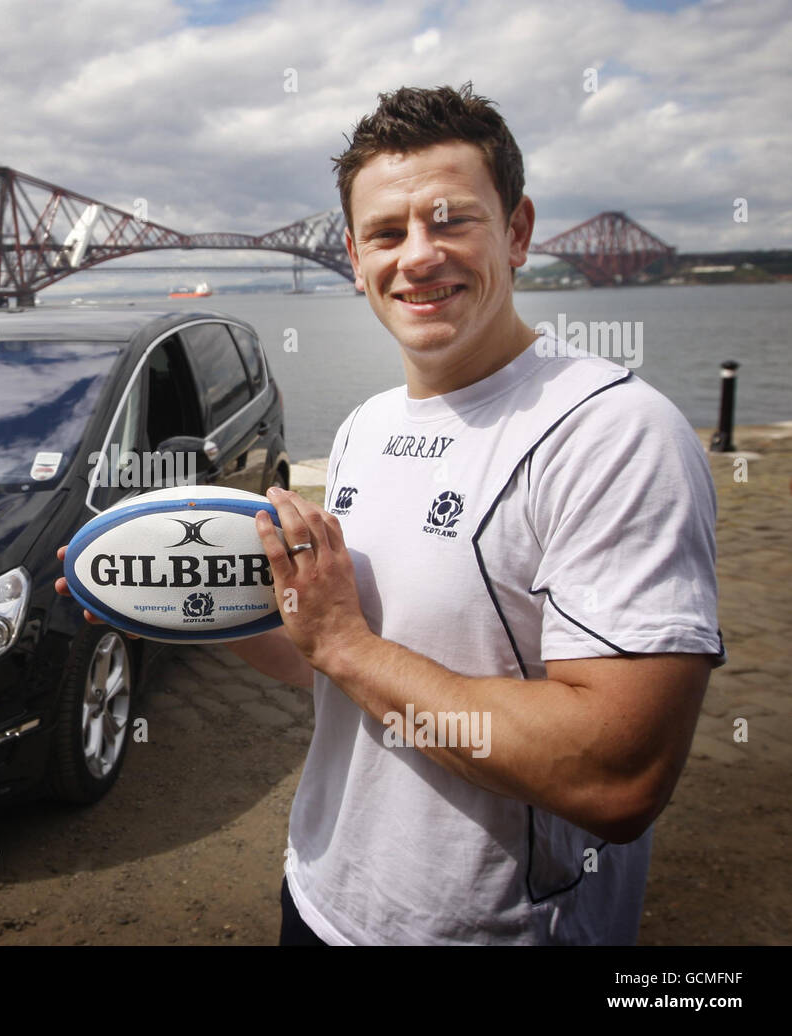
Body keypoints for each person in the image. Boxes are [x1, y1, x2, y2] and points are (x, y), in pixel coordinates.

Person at [59, 82, 724, 945]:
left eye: (450, 221)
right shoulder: (369, 427)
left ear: (517, 232)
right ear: (353, 253)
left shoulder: (616, 435)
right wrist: (186, 594)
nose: (417, 256)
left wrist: (348, 644)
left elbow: (617, 773)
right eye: (385, 233)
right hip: (322, 901)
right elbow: (338, 675)